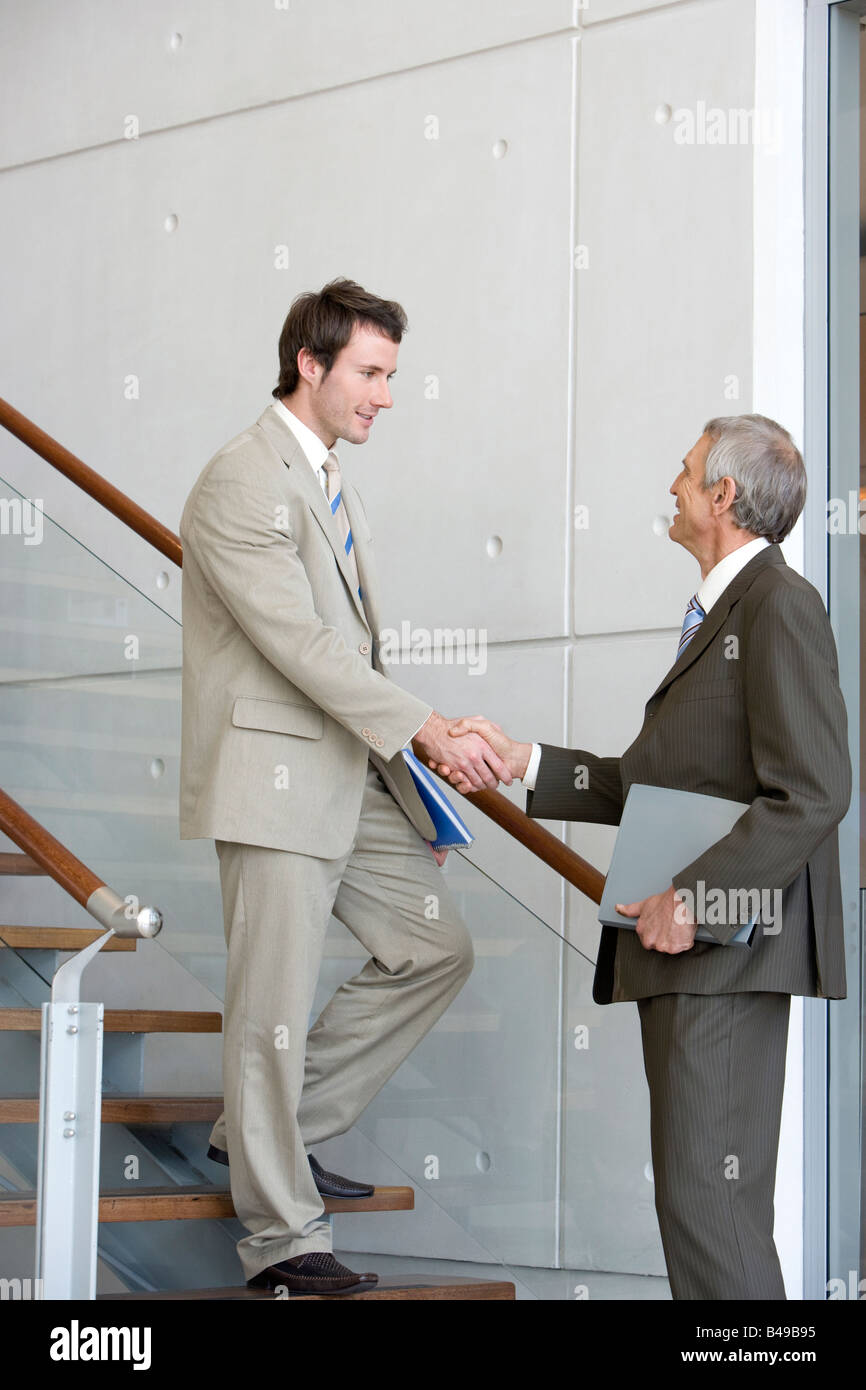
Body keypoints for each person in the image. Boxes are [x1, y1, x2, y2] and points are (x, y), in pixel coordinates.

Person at [434, 414, 851, 1300]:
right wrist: (522, 762)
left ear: (722, 496)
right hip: (688, 963)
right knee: (700, 1211)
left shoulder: (779, 604)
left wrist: (697, 898)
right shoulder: (719, 614)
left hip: (724, 956)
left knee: (713, 1214)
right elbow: (649, 781)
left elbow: (814, 790)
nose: (672, 484)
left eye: (686, 469)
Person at [179, 278, 509, 1295]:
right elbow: (303, 645)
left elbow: (342, 651)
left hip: (346, 778)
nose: (385, 395)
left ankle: (269, 1128)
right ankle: (282, 1243)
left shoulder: (326, 479)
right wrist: (426, 728)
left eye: (391, 375)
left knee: (432, 948)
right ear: (308, 365)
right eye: (369, 373)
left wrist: (416, 789)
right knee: (269, 1006)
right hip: (273, 780)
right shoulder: (242, 479)